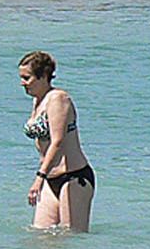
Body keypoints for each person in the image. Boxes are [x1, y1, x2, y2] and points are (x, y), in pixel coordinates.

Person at [18, 50, 95, 233]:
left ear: (43, 76)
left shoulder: (58, 99)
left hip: (74, 177)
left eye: (27, 78)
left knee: (71, 236)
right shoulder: (39, 100)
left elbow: (58, 142)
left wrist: (39, 178)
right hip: (50, 178)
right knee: (41, 235)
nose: (22, 83)